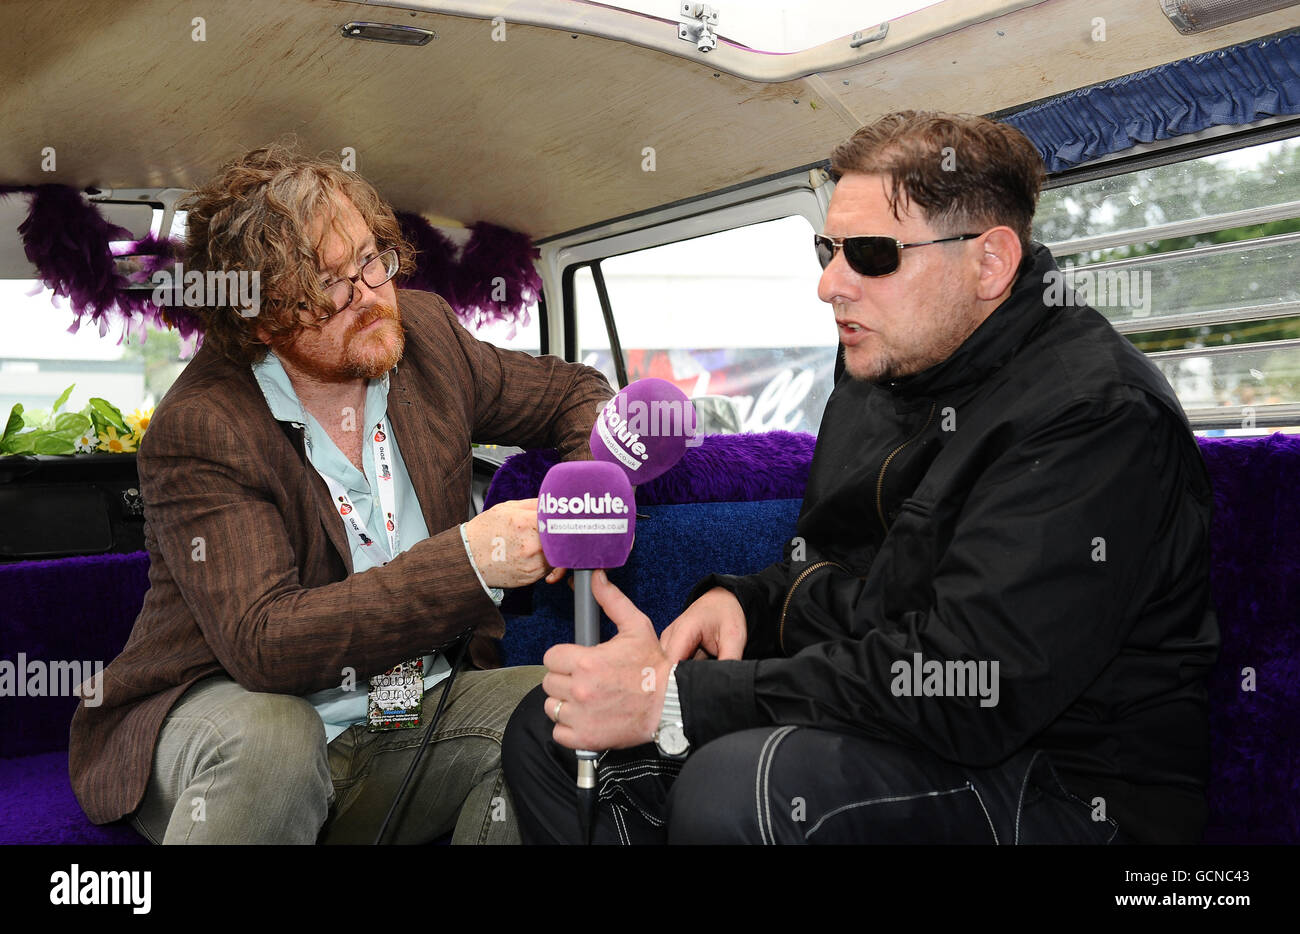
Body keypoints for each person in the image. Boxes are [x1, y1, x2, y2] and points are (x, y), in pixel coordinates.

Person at [503, 111, 1219, 845]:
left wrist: (676, 698)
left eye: (872, 253)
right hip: (907, 735)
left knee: (741, 787)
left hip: (1064, 785)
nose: (828, 284)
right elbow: (845, 569)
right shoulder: (884, 372)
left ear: (991, 262)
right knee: (548, 728)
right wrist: (748, 604)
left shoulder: (1094, 416)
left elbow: (970, 684)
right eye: (829, 248)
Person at [67, 144, 613, 844]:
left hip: (405, 715)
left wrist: (585, 492)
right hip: (228, 717)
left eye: (370, 260)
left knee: (570, 715)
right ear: (261, 320)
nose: (372, 298)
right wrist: (471, 562)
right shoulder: (204, 425)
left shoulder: (426, 337)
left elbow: (573, 392)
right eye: (329, 287)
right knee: (278, 738)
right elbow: (264, 644)